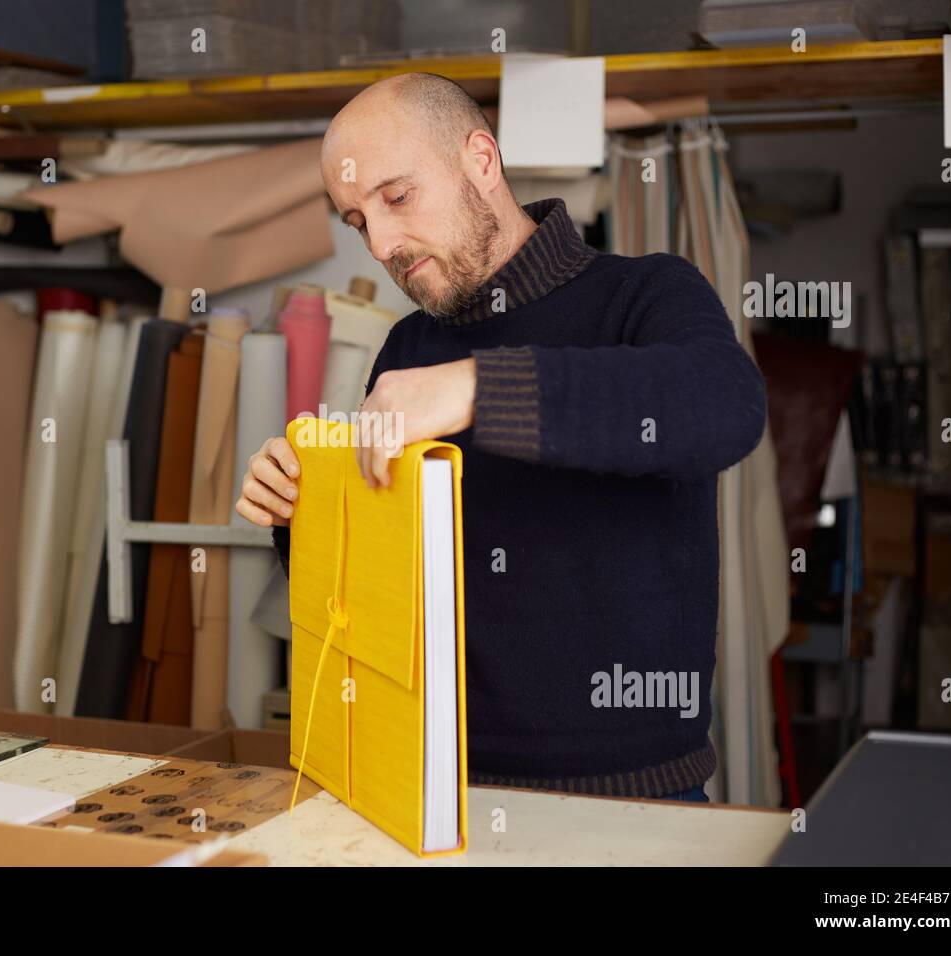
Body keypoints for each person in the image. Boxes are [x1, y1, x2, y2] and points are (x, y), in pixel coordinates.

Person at [235, 73, 767, 801]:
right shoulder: (405, 348)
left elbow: (725, 406)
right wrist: (302, 512)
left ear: (481, 160)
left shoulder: (645, 294)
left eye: (396, 197)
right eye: (358, 222)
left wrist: (477, 388)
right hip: (432, 793)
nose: (383, 243)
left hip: (632, 804)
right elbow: (377, 593)